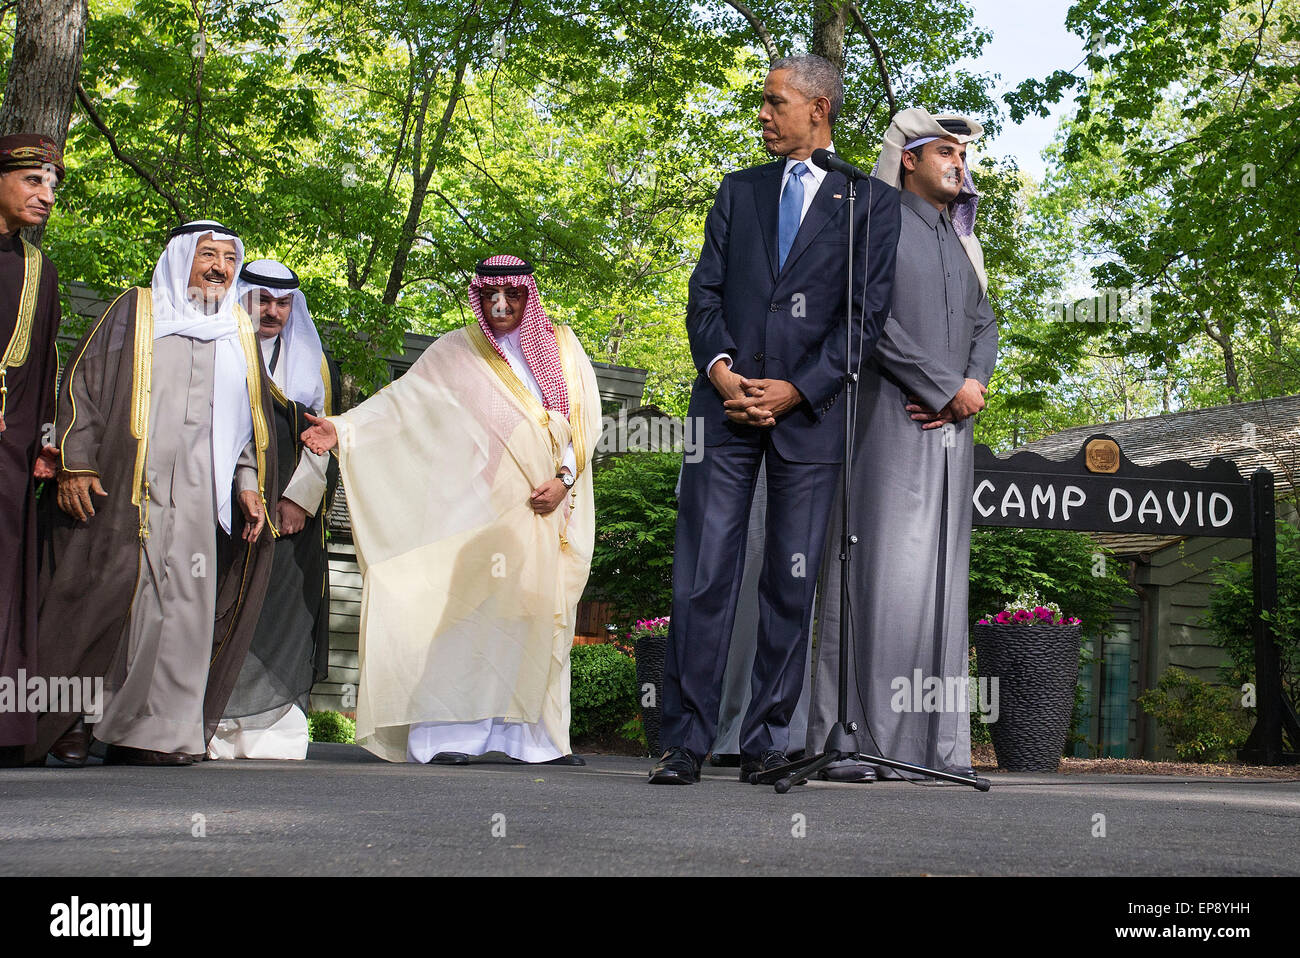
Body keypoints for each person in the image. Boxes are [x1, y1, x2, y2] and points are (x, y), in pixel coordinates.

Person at [649, 54, 900, 785]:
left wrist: (797, 388)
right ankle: (685, 743)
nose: (762, 113)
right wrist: (723, 372)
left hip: (810, 416)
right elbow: (705, 297)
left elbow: (865, 319)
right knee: (703, 574)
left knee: (790, 582)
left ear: (818, 108)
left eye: (774, 102)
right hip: (723, 409)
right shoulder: (737, 192)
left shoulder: (869, 204)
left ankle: (764, 744)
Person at [300, 254, 601, 765]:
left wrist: (564, 482)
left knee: (535, 617)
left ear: (530, 296)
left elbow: (584, 422)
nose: (500, 305)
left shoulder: (565, 348)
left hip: (550, 511)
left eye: (511, 295)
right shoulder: (459, 350)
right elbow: (404, 403)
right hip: (478, 511)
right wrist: (343, 428)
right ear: (479, 298)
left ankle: (539, 740)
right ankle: (448, 737)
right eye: (490, 296)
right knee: (467, 618)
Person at [29, 221, 277, 766]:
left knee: (180, 611)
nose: (219, 267)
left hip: (197, 496)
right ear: (179, 258)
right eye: (206, 255)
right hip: (122, 485)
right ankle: (70, 723)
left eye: (229, 259)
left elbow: (246, 426)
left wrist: (249, 483)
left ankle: (152, 733)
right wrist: (76, 462)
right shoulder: (136, 311)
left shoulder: (239, 329)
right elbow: (82, 387)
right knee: (103, 600)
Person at [807, 107, 998, 779]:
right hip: (889, 423)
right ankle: (858, 744)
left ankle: (931, 752)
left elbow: (986, 321)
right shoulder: (875, 225)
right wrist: (942, 384)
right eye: (944, 151)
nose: (958, 164)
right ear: (909, 159)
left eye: (963, 156)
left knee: (940, 589)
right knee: (881, 579)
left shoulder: (959, 241)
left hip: (951, 437)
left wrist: (969, 386)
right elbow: (868, 318)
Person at [207, 259, 340, 759]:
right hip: (228, 504)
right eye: (263, 300)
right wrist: (245, 488)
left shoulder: (312, 360)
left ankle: (273, 731)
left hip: (292, 511)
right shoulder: (221, 348)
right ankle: (217, 727)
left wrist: (297, 499)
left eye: (283, 303)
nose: (273, 311)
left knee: (282, 608)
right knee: (228, 606)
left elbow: (322, 439)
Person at [0, 134, 63, 765]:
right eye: (31, 182)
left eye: (50, 187)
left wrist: (47, 440)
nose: (44, 197)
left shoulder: (38, 271)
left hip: (11, 454)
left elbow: (43, 363)